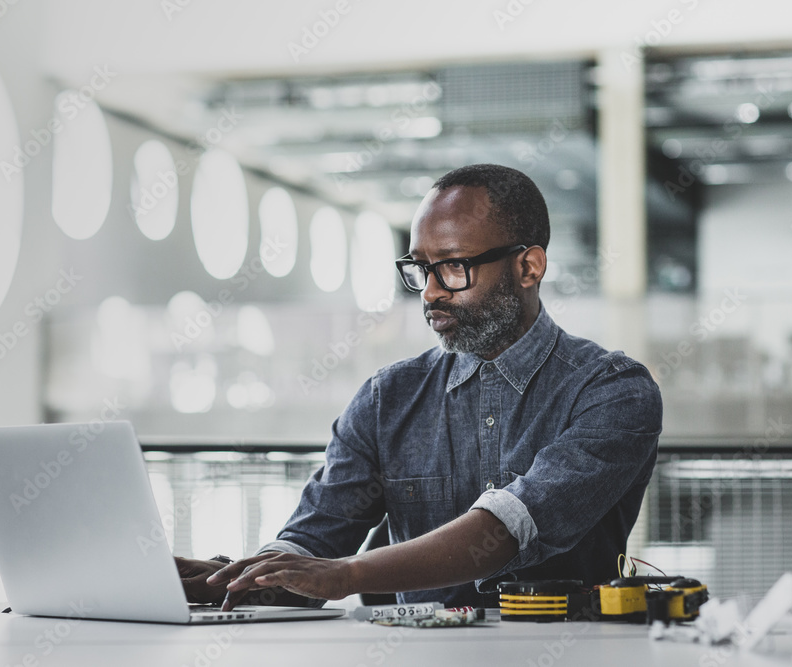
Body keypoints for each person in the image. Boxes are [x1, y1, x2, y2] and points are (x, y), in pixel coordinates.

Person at [176, 163, 662, 610]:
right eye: (420, 269)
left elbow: (507, 528)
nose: (430, 292)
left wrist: (346, 575)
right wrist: (240, 579)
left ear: (528, 267)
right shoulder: (388, 398)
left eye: (453, 266)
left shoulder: (613, 391)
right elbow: (316, 540)